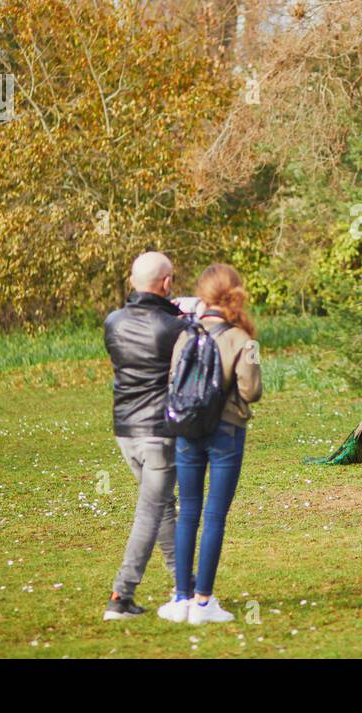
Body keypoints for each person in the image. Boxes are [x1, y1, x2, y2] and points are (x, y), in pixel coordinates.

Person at [158, 263, 262, 625]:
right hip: (227, 432)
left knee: (187, 511)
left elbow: (172, 380)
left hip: (187, 430)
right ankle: (204, 602)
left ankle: (181, 597)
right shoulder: (243, 339)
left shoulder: (186, 335)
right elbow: (252, 391)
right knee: (214, 516)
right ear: (236, 292)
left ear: (203, 295)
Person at [101, 251, 186, 621]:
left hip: (125, 430)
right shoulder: (174, 328)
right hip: (158, 433)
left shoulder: (112, 322)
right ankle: (121, 594)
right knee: (150, 512)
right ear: (166, 283)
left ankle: (183, 585)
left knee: (162, 506)